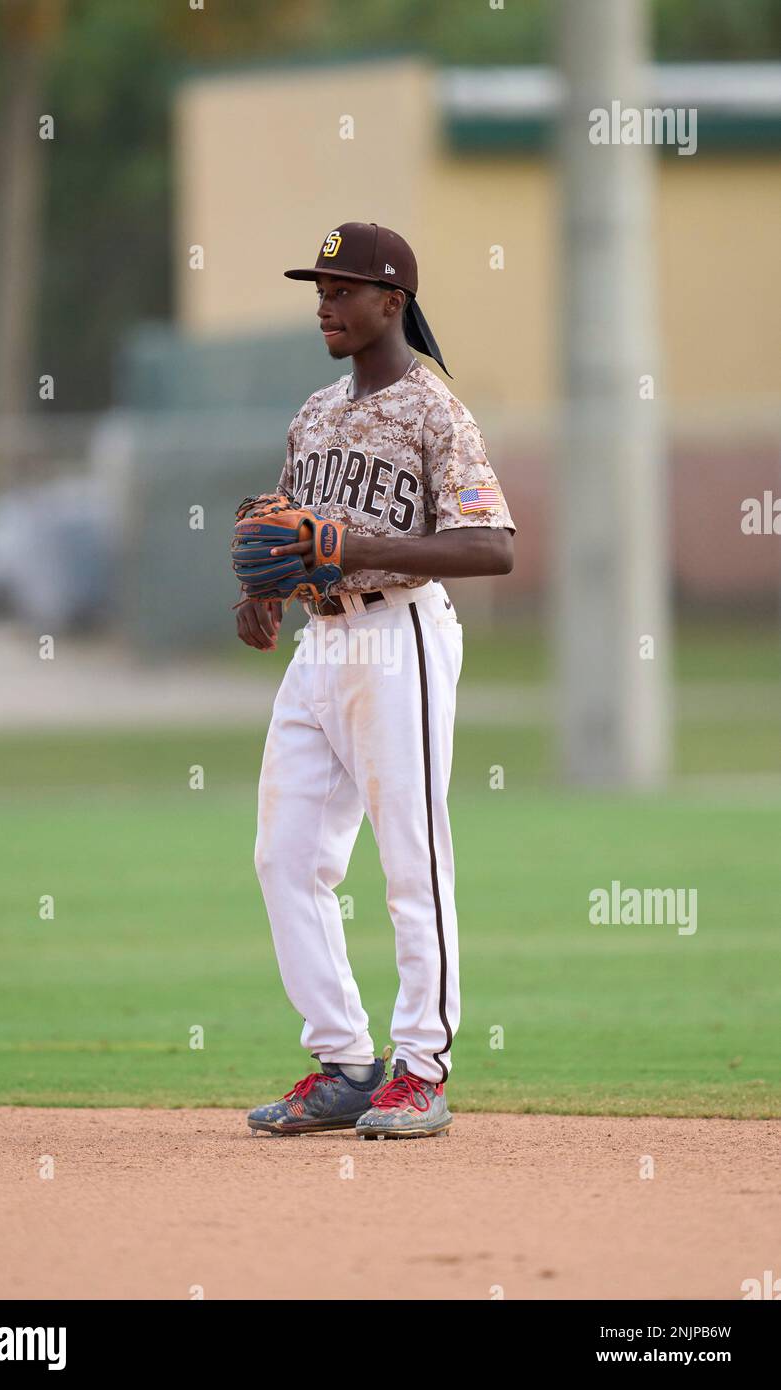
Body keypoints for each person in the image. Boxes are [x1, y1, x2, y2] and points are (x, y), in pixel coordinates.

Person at [237, 222, 515, 1139]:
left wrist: (356, 547)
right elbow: (288, 534)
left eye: (343, 288)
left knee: (410, 859)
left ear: (392, 301)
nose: (325, 302)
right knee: (284, 856)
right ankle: (348, 1063)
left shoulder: (433, 407)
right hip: (322, 648)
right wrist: (265, 590)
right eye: (319, 288)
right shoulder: (314, 413)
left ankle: (422, 1071)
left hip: (403, 639)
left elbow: (490, 546)